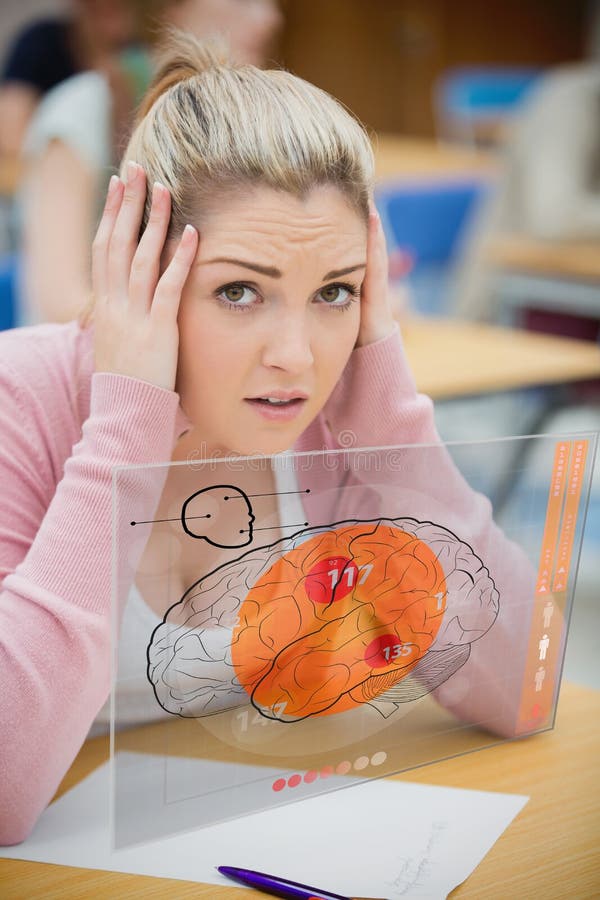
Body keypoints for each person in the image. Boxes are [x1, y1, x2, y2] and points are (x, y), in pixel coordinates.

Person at [0, 32, 534, 846]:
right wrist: (124, 432)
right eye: (240, 291)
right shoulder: (18, 403)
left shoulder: (338, 419)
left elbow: (520, 688)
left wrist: (390, 428)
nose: (295, 356)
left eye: (333, 292)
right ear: (139, 270)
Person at [18, 0, 283, 325]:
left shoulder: (242, 123)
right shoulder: (81, 110)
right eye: (243, 2)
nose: (270, 18)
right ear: (170, 9)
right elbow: (59, 298)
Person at [0, 0, 138, 158]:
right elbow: (10, 138)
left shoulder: (136, 56)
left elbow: (124, 145)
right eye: (97, 10)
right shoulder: (40, 44)